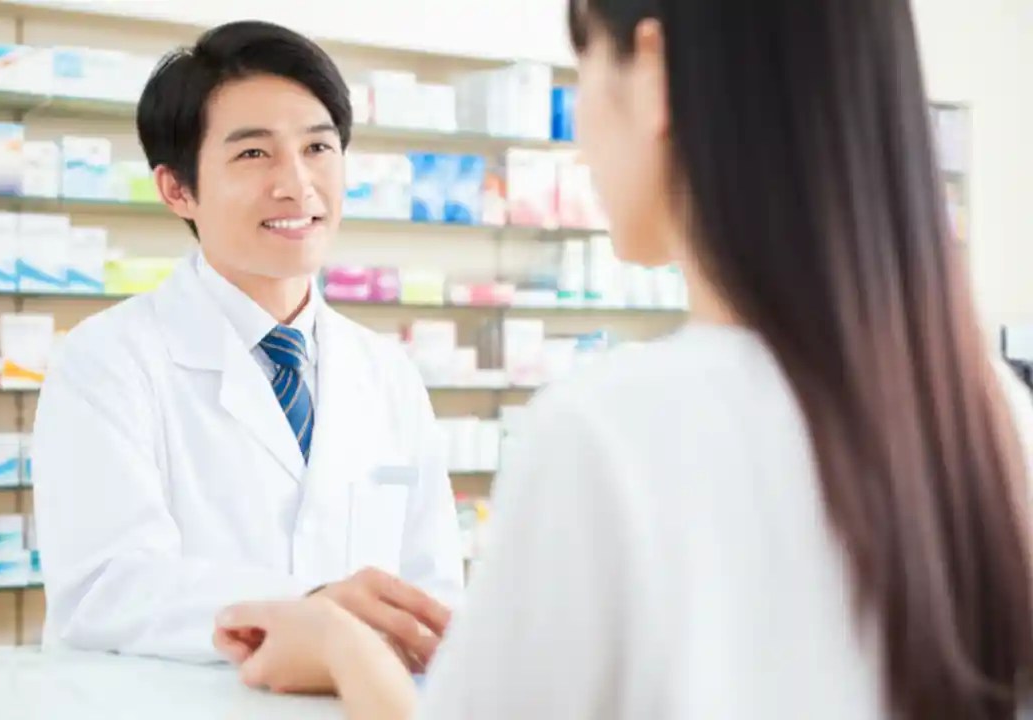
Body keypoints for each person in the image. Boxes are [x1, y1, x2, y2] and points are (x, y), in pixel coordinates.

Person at [212, 0, 1033, 718]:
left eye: (582, 79)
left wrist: (341, 648)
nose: (581, 144)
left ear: (653, 73)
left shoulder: (614, 426)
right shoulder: (991, 409)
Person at [31, 20, 463, 665]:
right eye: (253, 154)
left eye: (319, 148)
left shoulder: (386, 371)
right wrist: (309, 608)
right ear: (178, 189)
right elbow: (106, 588)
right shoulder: (107, 361)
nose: (297, 184)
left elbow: (430, 593)